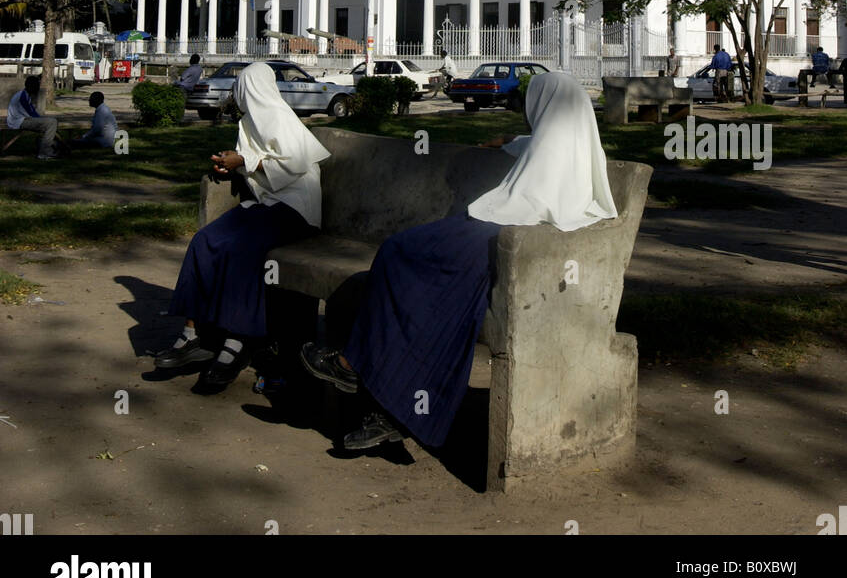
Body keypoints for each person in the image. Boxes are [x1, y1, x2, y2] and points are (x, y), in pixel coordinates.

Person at [300, 71, 617, 452]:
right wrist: (507, 142)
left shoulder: (557, 149)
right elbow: (529, 147)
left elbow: (538, 207)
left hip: (499, 238)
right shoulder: (568, 141)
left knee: (405, 260)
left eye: (533, 103)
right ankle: (379, 396)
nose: (527, 112)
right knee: (404, 262)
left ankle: (360, 372)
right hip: (490, 231)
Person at [154, 61, 330, 393]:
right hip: (264, 207)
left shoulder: (280, 117)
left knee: (244, 250)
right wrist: (231, 167)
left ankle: (237, 341)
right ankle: (193, 334)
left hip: (295, 210)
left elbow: (294, 162)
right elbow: (255, 168)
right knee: (205, 241)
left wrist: (244, 162)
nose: (238, 93)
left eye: (242, 86)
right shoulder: (249, 122)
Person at [5, 76, 59, 159]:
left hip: (21, 120)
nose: (38, 88)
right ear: (31, 86)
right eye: (36, 85)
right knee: (52, 122)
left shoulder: (25, 94)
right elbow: (30, 114)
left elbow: (33, 112)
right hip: (18, 122)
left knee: (49, 122)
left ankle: (43, 144)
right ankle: (44, 152)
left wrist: (42, 119)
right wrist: (43, 120)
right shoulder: (23, 96)